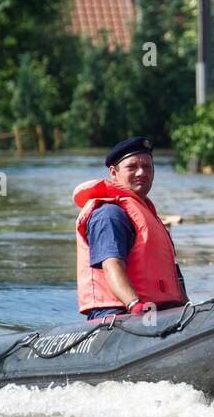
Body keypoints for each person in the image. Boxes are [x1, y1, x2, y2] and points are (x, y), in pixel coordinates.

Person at [72, 136, 188, 319]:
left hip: (160, 311)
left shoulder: (149, 216)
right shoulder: (109, 215)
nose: (141, 172)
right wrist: (135, 306)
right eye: (132, 167)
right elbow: (112, 266)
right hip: (120, 315)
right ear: (113, 172)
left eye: (147, 167)